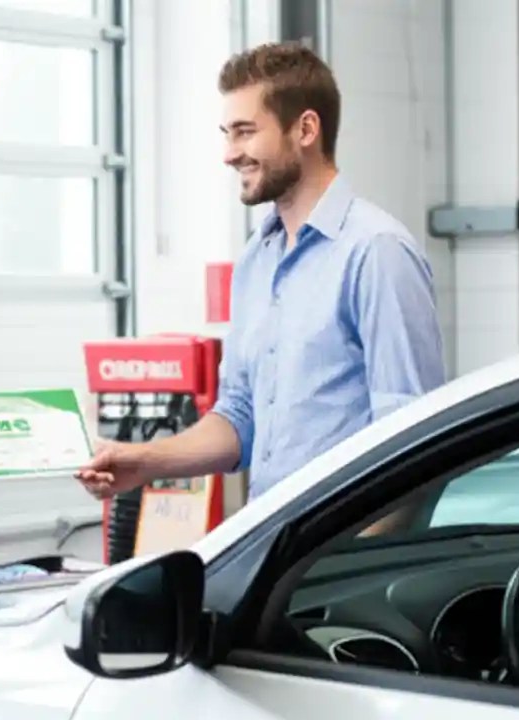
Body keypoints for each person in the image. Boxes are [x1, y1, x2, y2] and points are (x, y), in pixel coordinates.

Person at [77, 41, 445, 506]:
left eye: (245, 132)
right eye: (227, 134)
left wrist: (354, 561)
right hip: (274, 545)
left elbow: (412, 439)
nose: (230, 153)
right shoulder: (257, 258)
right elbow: (240, 415)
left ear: (305, 129)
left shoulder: (377, 252)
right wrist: (144, 461)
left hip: (344, 556)